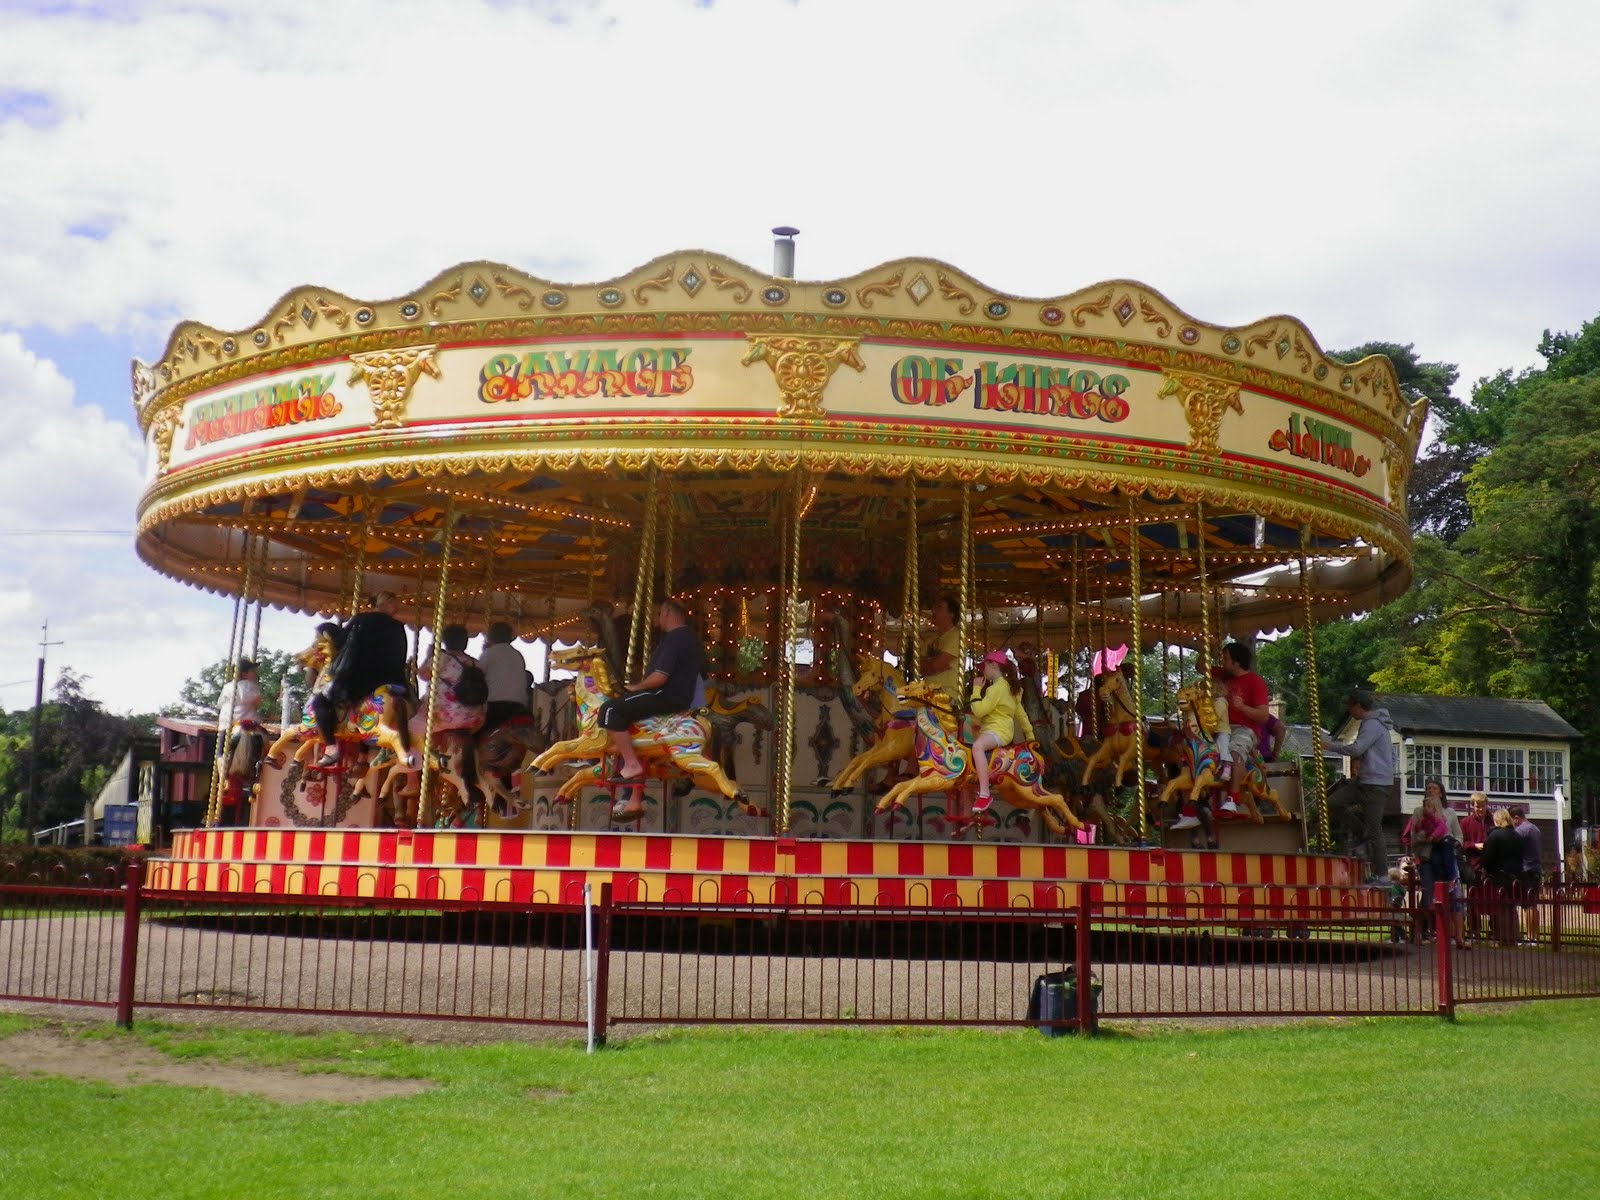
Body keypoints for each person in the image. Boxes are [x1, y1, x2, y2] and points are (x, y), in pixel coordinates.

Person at [598, 598, 705, 788]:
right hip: (677, 697)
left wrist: (636, 687)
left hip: (664, 695)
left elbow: (660, 677)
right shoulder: (688, 637)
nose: (658, 619)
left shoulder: (675, 639)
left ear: (666, 613)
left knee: (609, 710)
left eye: (659, 614)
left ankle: (631, 764)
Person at [311, 592, 410, 769]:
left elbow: (341, 644)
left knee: (320, 702)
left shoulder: (361, 620)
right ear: (386, 603)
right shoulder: (399, 627)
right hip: (395, 682)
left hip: (361, 682)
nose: (397, 606)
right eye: (395, 602)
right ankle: (363, 756)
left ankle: (331, 748)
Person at [1326, 689, 1396, 882]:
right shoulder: (1374, 725)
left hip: (1376, 784)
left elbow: (1357, 748)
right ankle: (1361, 831)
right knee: (1334, 802)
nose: (1349, 711)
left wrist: (1330, 747)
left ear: (1358, 705)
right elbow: (1391, 755)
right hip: (1366, 780)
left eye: (1350, 706)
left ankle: (1383, 875)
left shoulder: (1372, 725)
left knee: (1376, 830)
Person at [969, 651, 1033, 812]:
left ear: (993, 666)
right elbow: (1021, 713)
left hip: (996, 730)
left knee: (977, 747)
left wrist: (976, 690)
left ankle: (985, 793)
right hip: (1001, 730)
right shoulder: (1010, 687)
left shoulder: (996, 689)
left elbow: (979, 710)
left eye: (984, 667)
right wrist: (1030, 734)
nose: (983, 671)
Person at [1211, 641, 1271, 814]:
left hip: (1245, 729)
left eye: (1226, 658)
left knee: (1235, 752)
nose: (1222, 661)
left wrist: (1243, 707)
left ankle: (1232, 797)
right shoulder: (1224, 676)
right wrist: (1203, 647)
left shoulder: (1255, 682)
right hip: (1222, 727)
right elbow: (1201, 666)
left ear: (1236, 661)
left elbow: (1264, 716)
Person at [410, 624, 486, 742]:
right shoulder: (476, 663)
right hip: (475, 718)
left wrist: (430, 656)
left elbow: (423, 675)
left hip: (445, 715)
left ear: (445, 641)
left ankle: (413, 759)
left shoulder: (440, 658)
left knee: (410, 730)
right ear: (465, 642)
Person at [477, 621, 531, 735]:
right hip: (519, 706)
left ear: (490, 637)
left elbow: (478, 676)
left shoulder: (489, 653)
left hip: (496, 707)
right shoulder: (518, 655)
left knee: (476, 733)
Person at [1479, 807, 1523, 944]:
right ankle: (1514, 935)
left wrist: (1485, 868)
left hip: (1498, 874)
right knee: (1511, 907)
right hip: (1514, 874)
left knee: (1501, 907)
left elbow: (1487, 858)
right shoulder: (1516, 835)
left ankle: (1503, 936)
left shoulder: (1495, 836)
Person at [1510, 804, 1543, 945]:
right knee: (1532, 904)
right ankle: (1534, 935)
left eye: (1511, 820)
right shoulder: (1534, 828)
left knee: (1527, 904)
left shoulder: (1521, 830)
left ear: (1516, 818)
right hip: (1535, 868)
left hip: (1526, 869)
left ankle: (1530, 937)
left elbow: (1512, 845)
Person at [919, 596, 963, 700]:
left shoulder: (956, 636)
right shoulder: (931, 640)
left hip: (946, 695)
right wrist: (933, 666)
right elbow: (917, 666)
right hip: (927, 693)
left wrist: (930, 665)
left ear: (951, 614)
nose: (934, 611)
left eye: (939, 608)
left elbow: (936, 665)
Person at [215, 658, 262, 734]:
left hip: (225, 724)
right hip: (245, 723)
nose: (255, 674)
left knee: (221, 743)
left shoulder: (227, 687)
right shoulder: (250, 685)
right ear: (244, 674)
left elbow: (219, 704)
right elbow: (258, 701)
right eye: (252, 671)